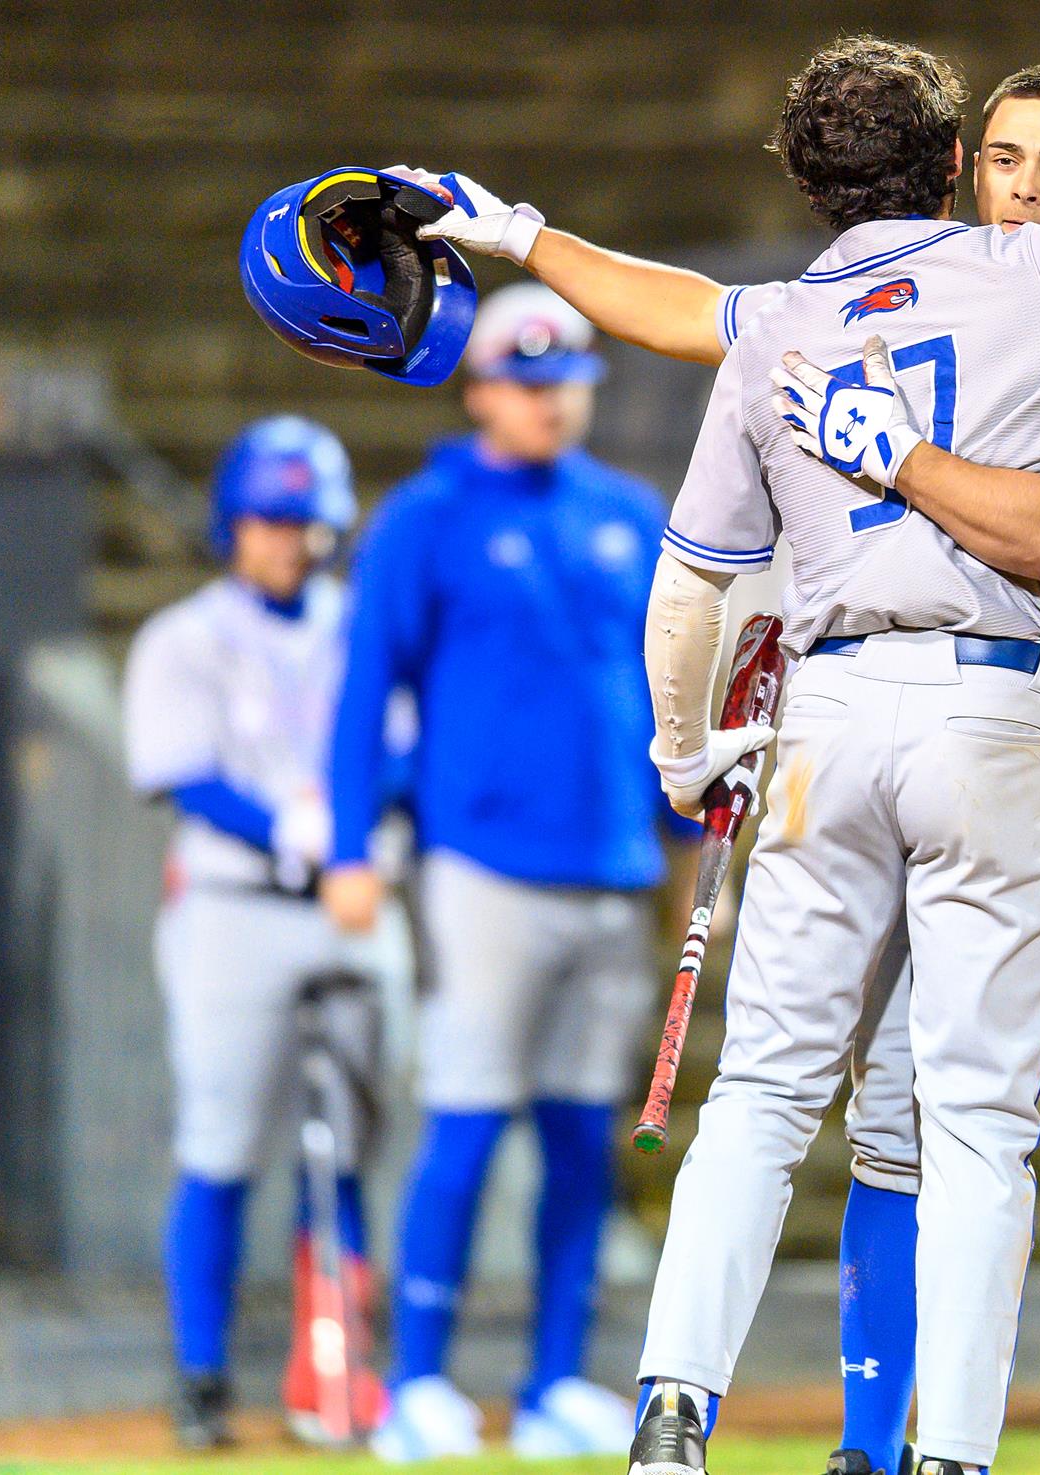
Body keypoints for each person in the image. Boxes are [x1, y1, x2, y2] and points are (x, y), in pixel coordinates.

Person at [400, 46, 1040, 1474]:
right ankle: (901, 1449)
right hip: (986, 721)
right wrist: (534, 239)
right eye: (1008, 159)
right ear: (962, 171)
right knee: (926, 1115)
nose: (1028, 187)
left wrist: (696, 730)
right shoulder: (1030, 284)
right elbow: (700, 312)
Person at [326, 284, 673, 1460]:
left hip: (613, 861)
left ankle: (551, 1379)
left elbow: (663, 696)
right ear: (477, 388)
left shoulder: (629, 512)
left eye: (565, 379)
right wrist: (345, 843)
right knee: (467, 1117)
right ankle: (416, 1375)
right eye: (526, 381)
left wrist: (677, 849)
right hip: (481, 861)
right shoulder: (425, 518)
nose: (547, 401)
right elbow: (366, 690)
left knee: (582, 1132)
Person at [122, 417, 389, 1448]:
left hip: (350, 901)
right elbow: (180, 771)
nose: (292, 539)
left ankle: (338, 1370)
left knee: (351, 1150)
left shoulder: (359, 621)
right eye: (272, 520)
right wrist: (292, 823)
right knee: (222, 1146)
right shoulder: (185, 635)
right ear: (233, 523)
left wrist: (350, 827)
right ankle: (200, 1372)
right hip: (234, 908)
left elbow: (399, 747)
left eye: (308, 521)